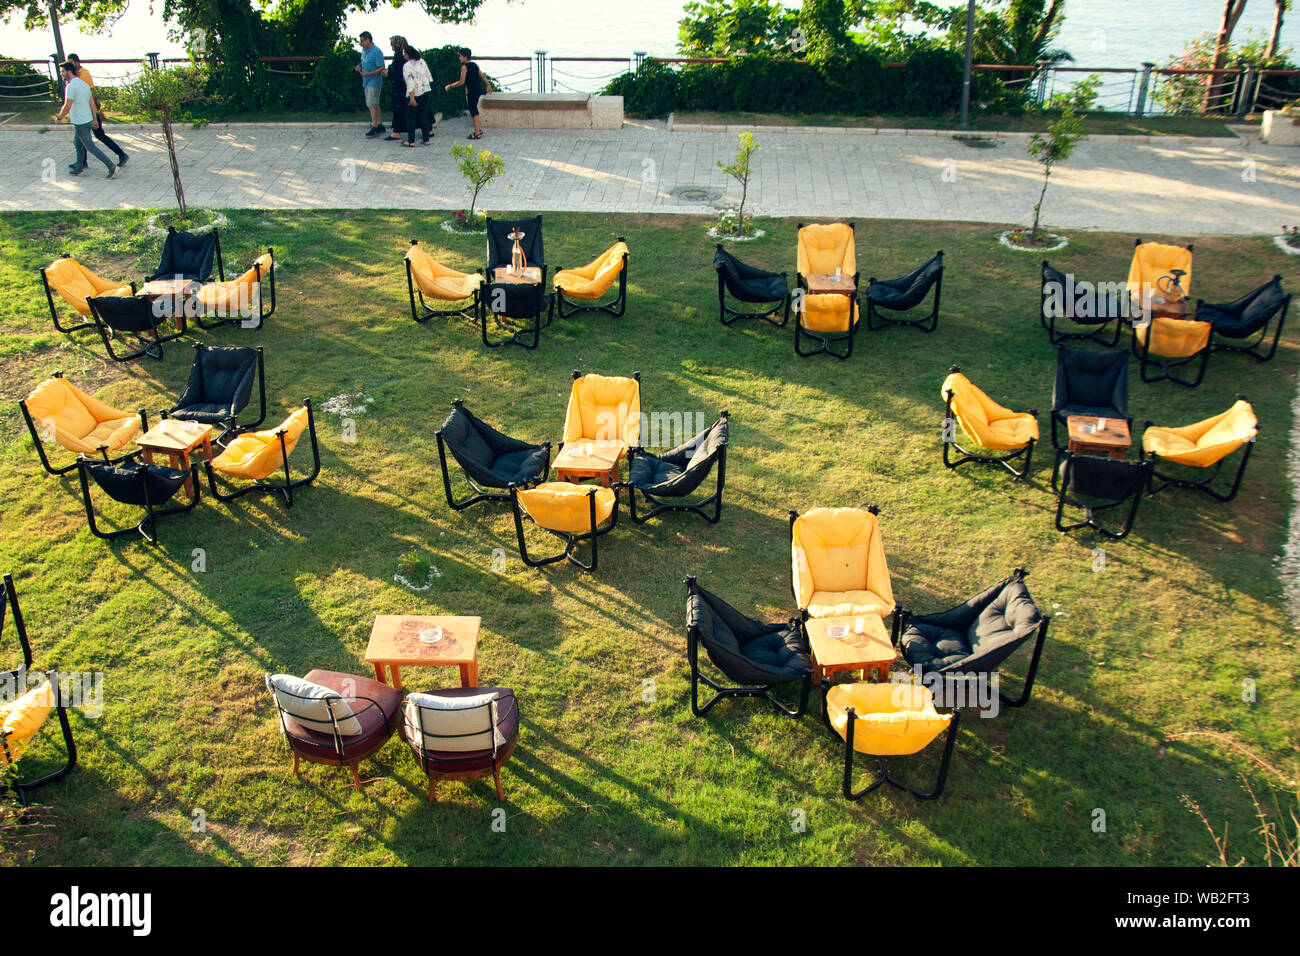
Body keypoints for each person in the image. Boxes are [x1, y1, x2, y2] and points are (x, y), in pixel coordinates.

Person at [54, 61, 116, 179]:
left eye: (62, 72)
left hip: (80, 122)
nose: (61, 74)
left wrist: (59, 118)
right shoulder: (83, 84)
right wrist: (94, 119)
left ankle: (111, 166)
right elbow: (91, 102)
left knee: (90, 147)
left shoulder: (71, 86)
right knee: (77, 143)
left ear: (69, 71)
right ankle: (79, 166)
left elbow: (67, 105)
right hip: (87, 119)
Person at [66, 53, 128, 167]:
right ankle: (81, 162)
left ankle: (121, 155)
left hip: (91, 110)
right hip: (83, 112)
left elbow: (90, 94)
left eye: (70, 63)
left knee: (99, 135)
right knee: (80, 138)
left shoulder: (83, 74)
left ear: (76, 62)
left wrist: (97, 113)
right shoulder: (75, 75)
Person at [445, 47, 493, 140]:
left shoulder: (464, 67)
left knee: (473, 111)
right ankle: (479, 129)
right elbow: (482, 76)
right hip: (477, 89)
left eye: (460, 56)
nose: (459, 58)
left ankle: (477, 133)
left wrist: (450, 86)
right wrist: (488, 85)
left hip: (471, 91)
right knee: (474, 109)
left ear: (465, 57)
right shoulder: (474, 65)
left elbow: (461, 81)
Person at [401, 47, 435, 147]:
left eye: (404, 54)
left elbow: (409, 81)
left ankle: (411, 141)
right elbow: (429, 76)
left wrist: (412, 98)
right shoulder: (422, 61)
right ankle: (426, 139)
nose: (403, 56)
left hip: (414, 93)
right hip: (425, 91)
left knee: (411, 118)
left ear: (408, 54)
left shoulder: (407, 66)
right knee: (423, 116)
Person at [355, 31, 387, 137]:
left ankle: (374, 126)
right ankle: (380, 124)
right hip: (366, 80)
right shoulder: (364, 50)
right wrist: (359, 66)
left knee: (371, 104)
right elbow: (362, 60)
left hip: (374, 81)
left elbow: (381, 67)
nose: (361, 43)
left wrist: (369, 73)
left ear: (368, 40)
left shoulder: (376, 51)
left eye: (362, 40)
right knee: (375, 104)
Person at [385, 36, 409, 141]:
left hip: (400, 88)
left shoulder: (399, 57)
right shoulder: (401, 56)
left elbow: (397, 73)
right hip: (402, 87)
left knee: (399, 108)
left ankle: (397, 131)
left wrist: (388, 73)